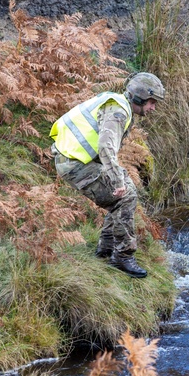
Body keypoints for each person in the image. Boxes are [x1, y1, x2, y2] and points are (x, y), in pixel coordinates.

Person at [49, 73, 165, 279]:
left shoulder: (117, 102)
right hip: (75, 164)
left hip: (76, 160)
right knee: (125, 196)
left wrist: (119, 178)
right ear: (139, 97)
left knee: (126, 191)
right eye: (152, 102)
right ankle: (122, 256)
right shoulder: (118, 111)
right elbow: (105, 146)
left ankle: (106, 249)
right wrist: (116, 180)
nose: (153, 108)